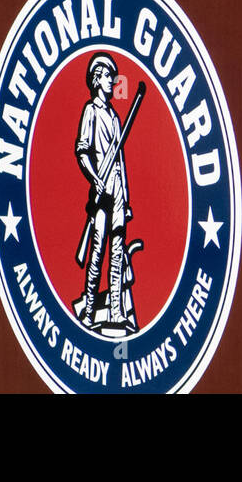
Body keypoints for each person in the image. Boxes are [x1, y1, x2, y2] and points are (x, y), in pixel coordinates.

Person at [74, 51, 131, 331]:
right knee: (97, 251)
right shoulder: (90, 111)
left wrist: (127, 198)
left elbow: (120, 161)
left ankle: (117, 312)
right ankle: (88, 310)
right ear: (97, 80)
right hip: (101, 193)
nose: (113, 81)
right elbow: (82, 150)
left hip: (117, 192)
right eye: (109, 76)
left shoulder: (116, 116)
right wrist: (95, 179)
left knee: (118, 250)